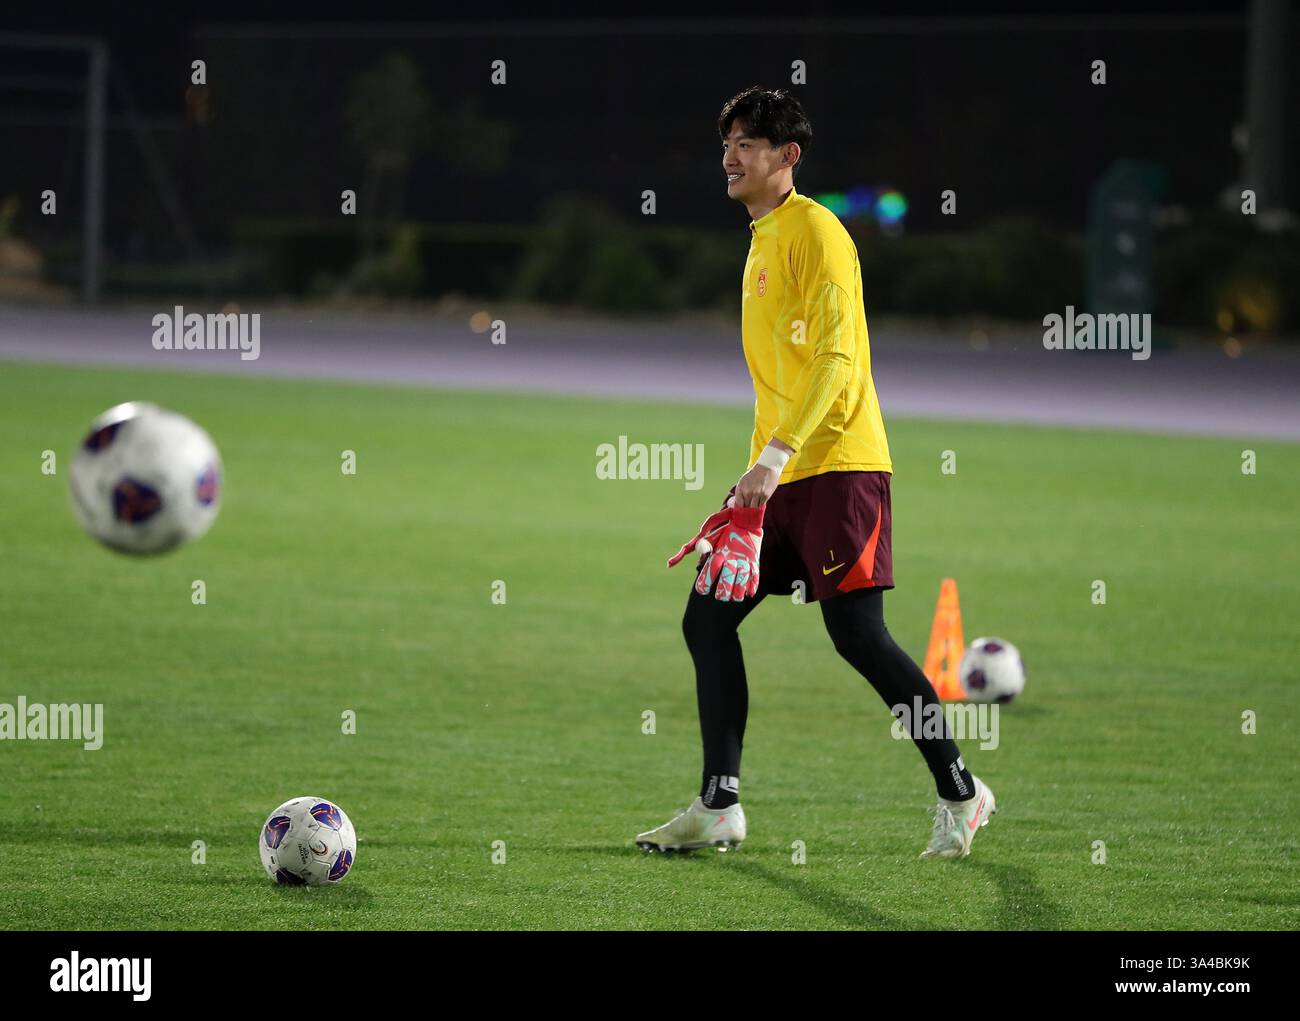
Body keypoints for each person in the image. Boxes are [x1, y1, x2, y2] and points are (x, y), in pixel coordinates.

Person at [636, 86, 996, 860]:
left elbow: (836, 359)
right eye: (726, 141)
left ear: (788, 156)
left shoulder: (818, 233)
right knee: (707, 616)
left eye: (749, 143)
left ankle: (962, 790)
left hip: (840, 466)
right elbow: (782, 377)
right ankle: (720, 803)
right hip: (783, 474)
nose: (731, 155)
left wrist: (775, 457)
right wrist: (752, 478)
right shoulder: (762, 239)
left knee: (859, 636)